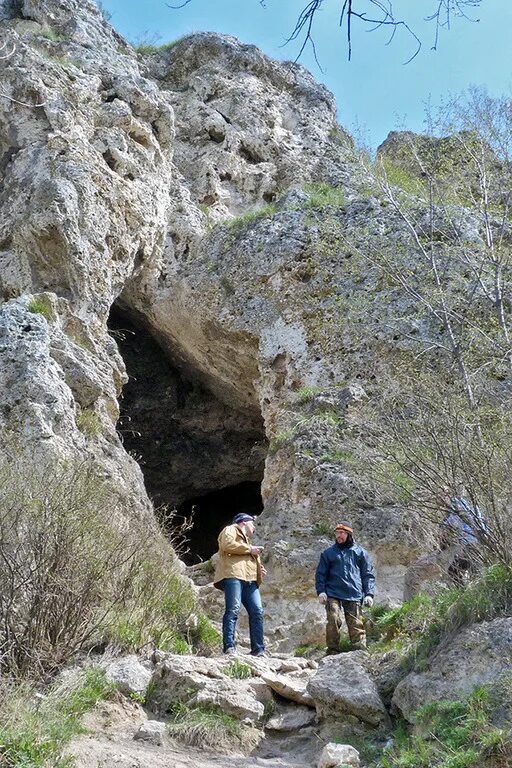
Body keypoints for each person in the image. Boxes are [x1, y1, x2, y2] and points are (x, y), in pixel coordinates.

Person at [315, 521, 375, 652]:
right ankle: (332, 651)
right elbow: (321, 574)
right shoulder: (328, 553)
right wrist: (321, 591)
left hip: (354, 592)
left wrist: (369, 594)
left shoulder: (360, 552)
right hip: (332, 593)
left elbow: (367, 574)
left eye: (342, 533)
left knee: (356, 623)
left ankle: (359, 651)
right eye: (337, 533)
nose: (339, 535)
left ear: (349, 534)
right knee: (333, 619)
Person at [213, 513, 267, 656]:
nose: (254, 527)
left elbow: (245, 560)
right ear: (244, 522)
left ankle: (258, 649)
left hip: (250, 579)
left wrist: (259, 570)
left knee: (257, 611)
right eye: (252, 523)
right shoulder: (230, 529)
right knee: (233, 609)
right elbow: (227, 545)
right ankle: (229, 647)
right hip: (233, 575)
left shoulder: (247, 542)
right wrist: (250, 549)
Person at [439, 492, 486, 586]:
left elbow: (452, 523)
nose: (440, 500)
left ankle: (466, 591)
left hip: (471, 542)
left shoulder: (457, 506)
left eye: (442, 497)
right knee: (474, 569)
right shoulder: (464, 504)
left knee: (454, 570)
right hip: (477, 540)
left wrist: (444, 528)